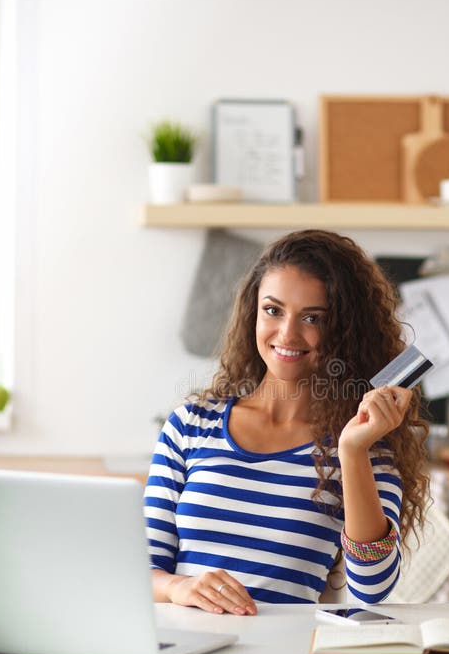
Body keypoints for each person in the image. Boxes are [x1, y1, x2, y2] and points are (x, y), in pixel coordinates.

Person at [145, 230, 428, 615]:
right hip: (184, 653)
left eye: (312, 318)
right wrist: (181, 587)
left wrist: (352, 450)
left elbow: (372, 590)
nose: (287, 334)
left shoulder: (364, 451)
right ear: (253, 312)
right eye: (273, 310)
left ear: (345, 333)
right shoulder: (191, 425)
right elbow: (142, 571)